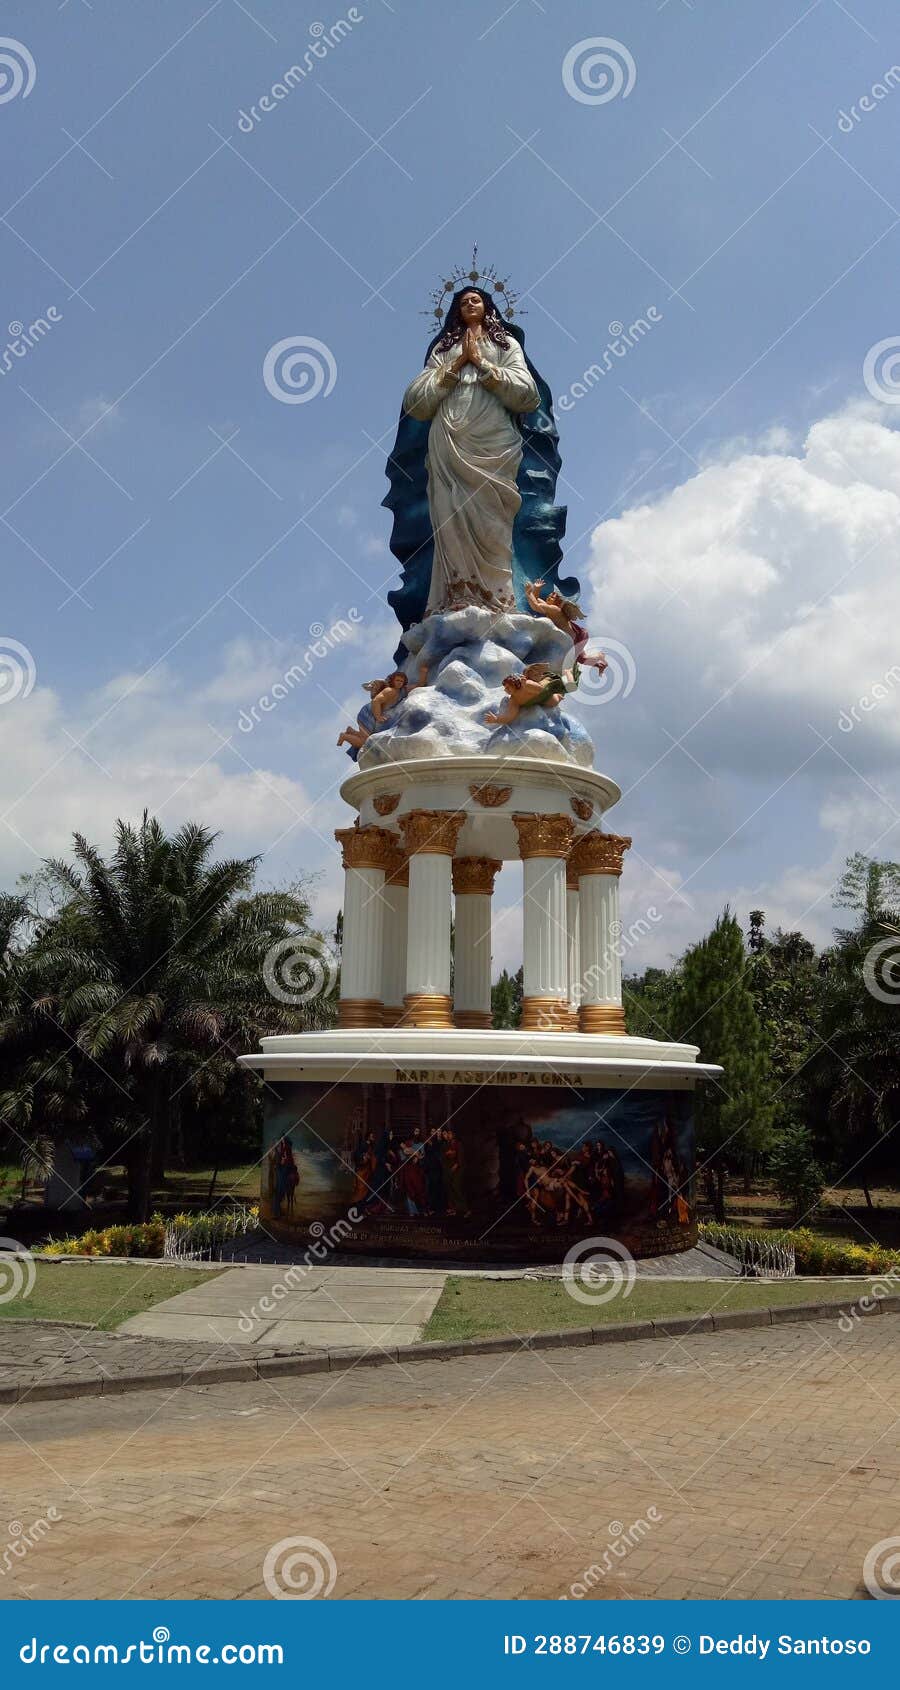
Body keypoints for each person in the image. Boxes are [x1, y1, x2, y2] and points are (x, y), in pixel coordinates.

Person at [401, 287, 540, 616]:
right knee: (451, 514)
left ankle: (500, 600)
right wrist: (459, 362)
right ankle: (458, 593)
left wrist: (482, 364)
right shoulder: (444, 349)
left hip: (493, 441)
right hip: (448, 442)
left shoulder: (504, 344)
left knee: (492, 520)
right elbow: (417, 402)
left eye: (475, 300)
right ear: (455, 311)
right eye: (463, 302)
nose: (469, 305)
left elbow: (528, 395)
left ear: (487, 305)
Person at [337, 663, 429, 751]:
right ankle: (344, 736)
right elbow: (376, 701)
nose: (399, 683)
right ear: (393, 681)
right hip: (368, 714)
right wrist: (378, 716)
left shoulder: (403, 690)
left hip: (373, 714)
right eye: (397, 680)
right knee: (365, 742)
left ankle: (351, 731)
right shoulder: (389, 691)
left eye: (401, 681)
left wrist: (423, 672)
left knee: (364, 736)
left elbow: (419, 685)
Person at [525, 577, 608, 674]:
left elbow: (535, 605)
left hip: (579, 636)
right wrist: (536, 589)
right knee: (581, 659)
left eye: (552, 597)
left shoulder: (555, 609)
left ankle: (599, 656)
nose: (548, 597)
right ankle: (600, 662)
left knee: (577, 658)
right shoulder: (549, 607)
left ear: (557, 603)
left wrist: (528, 593)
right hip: (574, 638)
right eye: (550, 595)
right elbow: (536, 599)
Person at [484, 661, 578, 726]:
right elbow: (510, 715)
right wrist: (496, 719)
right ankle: (559, 694)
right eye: (505, 688)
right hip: (544, 698)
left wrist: (526, 686)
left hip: (546, 688)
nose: (506, 690)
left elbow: (540, 690)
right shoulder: (514, 699)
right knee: (554, 701)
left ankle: (567, 672)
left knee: (572, 686)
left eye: (508, 687)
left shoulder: (527, 684)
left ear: (515, 683)